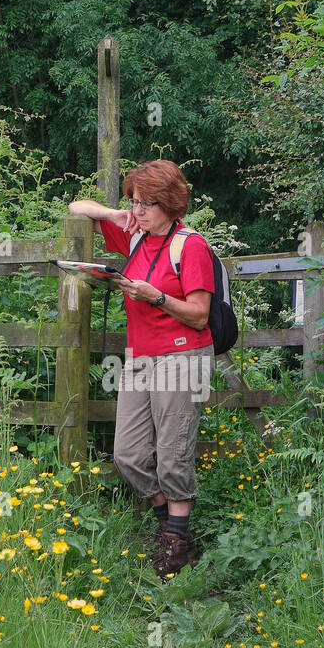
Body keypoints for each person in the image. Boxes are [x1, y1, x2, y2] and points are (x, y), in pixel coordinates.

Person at [68, 160, 214, 576]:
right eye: (135, 201)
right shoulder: (134, 236)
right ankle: (170, 525)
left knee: (172, 454)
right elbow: (77, 209)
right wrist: (117, 213)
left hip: (183, 356)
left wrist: (155, 297)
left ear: (170, 204)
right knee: (128, 455)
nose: (140, 210)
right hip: (140, 357)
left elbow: (200, 316)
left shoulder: (191, 246)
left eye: (148, 203)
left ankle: (174, 543)